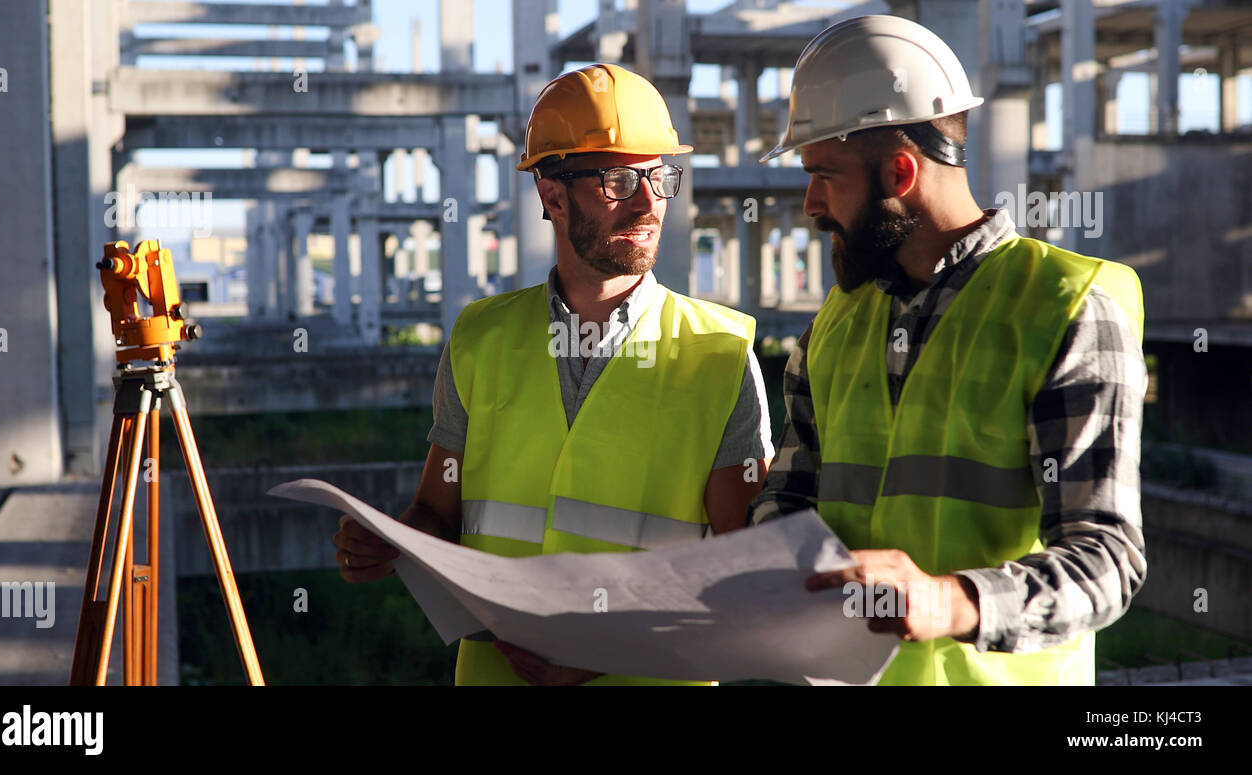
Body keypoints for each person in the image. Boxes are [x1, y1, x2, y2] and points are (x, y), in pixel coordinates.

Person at [334, 63, 773, 685]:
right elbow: (440, 514)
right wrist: (395, 543)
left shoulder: (718, 354)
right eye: (620, 181)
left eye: (660, 177)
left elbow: (746, 577)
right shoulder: (482, 339)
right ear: (552, 193)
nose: (650, 202)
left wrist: (607, 650)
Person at [751, 15, 1147, 685]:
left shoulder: (1067, 308)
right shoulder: (836, 322)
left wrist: (949, 600)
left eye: (824, 176)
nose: (811, 204)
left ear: (900, 171)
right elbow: (787, 509)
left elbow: (1105, 560)